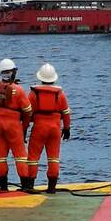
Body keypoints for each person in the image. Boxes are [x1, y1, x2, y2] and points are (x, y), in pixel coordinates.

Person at [25, 63, 70, 193]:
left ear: (40, 77)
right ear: (54, 78)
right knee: (53, 157)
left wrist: (24, 128)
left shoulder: (34, 94)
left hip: (39, 127)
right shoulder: (60, 94)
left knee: (33, 157)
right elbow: (66, 112)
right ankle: (51, 187)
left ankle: (30, 185)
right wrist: (66, 128)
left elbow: (27, 113)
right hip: (55, 128)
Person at [0, 57, 32, 192]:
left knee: (0, 156)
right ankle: (25, 185)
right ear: (13, 73)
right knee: (20, 154)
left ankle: (3, 187)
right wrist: (24, 128)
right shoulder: (18, 91)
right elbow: (28, 111)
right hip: (13, 124)